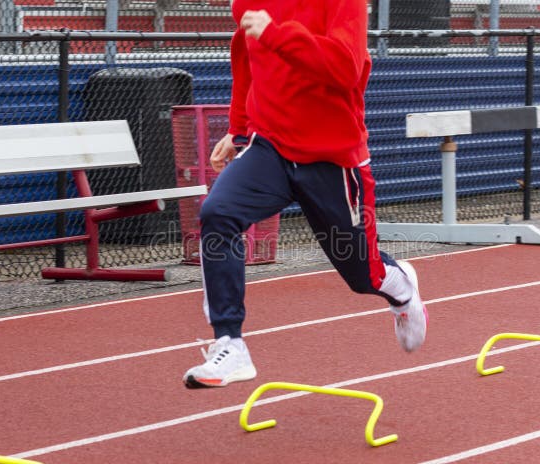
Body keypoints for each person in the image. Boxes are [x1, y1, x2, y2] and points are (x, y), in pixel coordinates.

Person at [182, 0, 428, 389]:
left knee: (363, 275)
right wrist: (239, 129)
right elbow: (246, 54)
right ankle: (230, 342)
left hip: (333, 157)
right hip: (271, 148)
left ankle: (400, 288)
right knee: (218, 213)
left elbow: (345, 68)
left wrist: (277, 34)